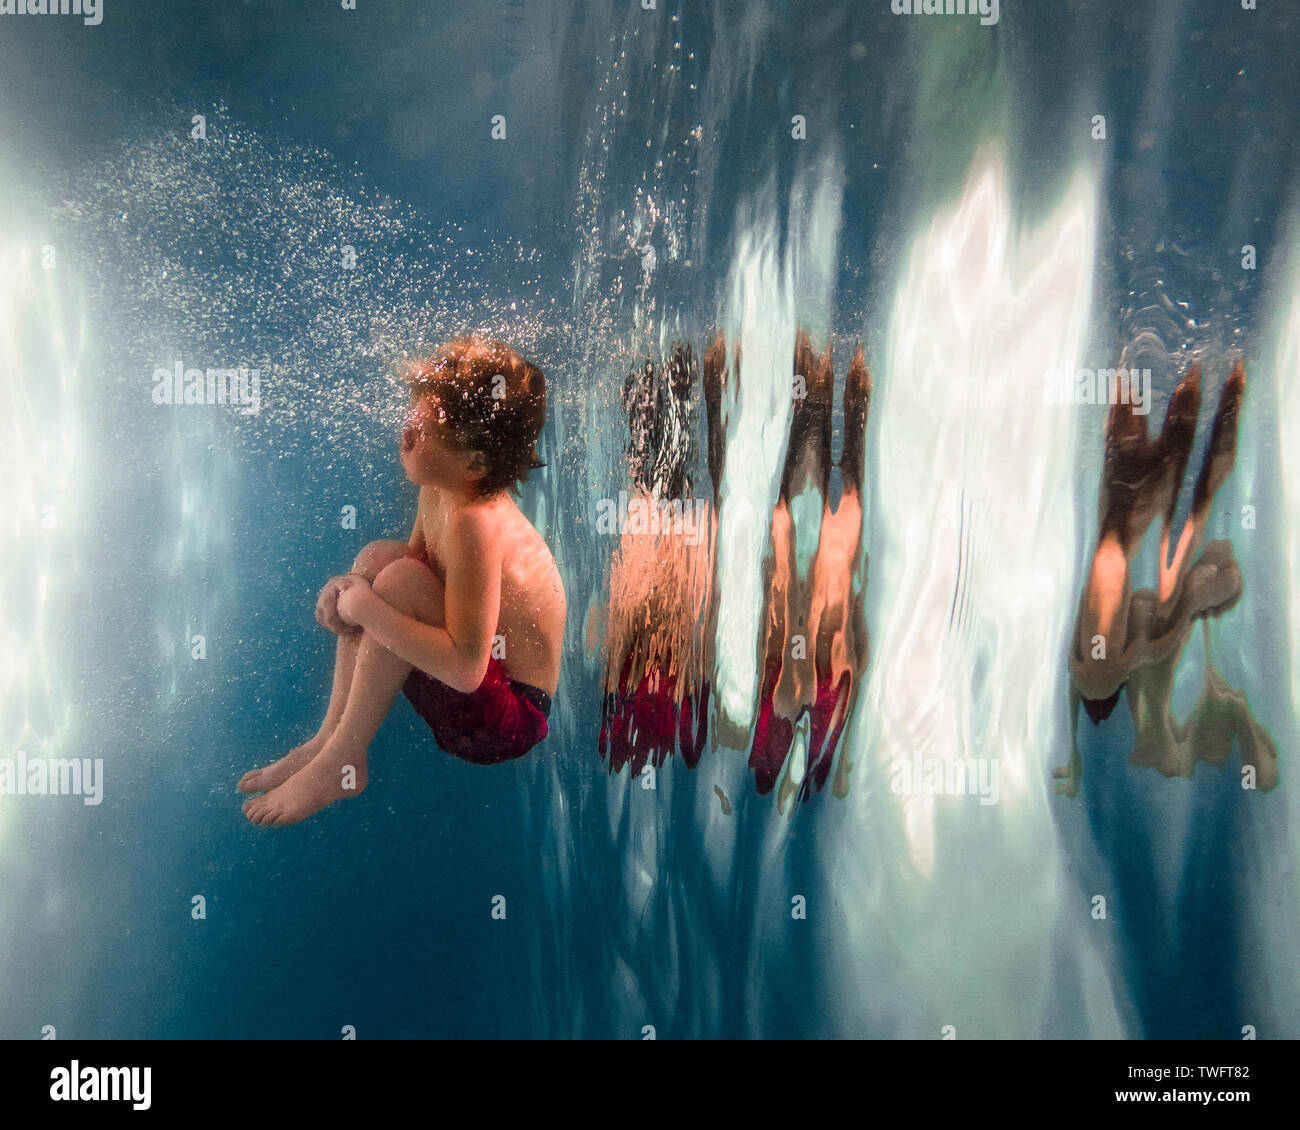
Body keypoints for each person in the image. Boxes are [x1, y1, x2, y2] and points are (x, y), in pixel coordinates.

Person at [239, 336, 566, 826]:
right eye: (413, 416)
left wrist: (365, 609)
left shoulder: (476, 521)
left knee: (396, 584)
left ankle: (344, 755)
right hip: (478, 699)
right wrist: (347, 590)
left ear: (475, 463)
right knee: (378, 561)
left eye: (426, 430)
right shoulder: (440, 487)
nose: (407, 432)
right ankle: (329, 742)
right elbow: (406, 573)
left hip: (509, 722)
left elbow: (465, 671)